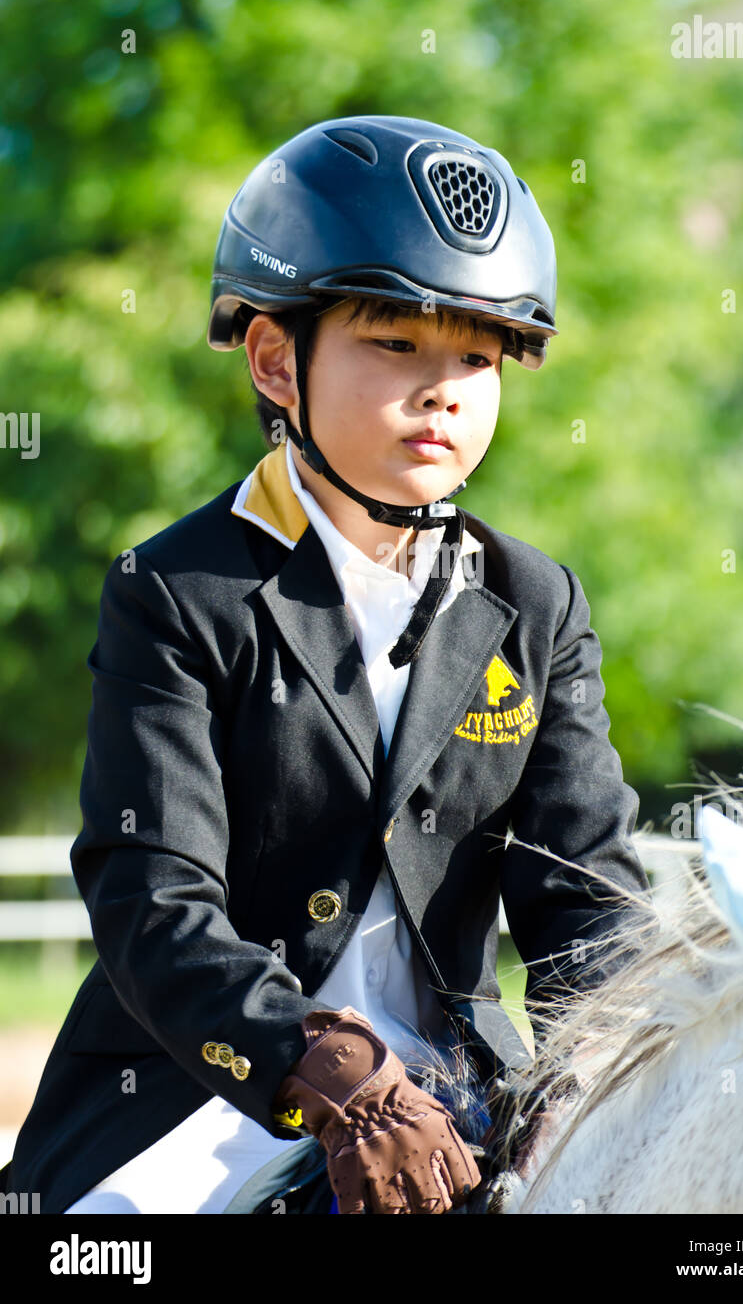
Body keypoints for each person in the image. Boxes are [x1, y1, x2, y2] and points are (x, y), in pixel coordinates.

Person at [1, 115, 653, 1215]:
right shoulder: (174, 592)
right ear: (275, 360)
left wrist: (597, 1066)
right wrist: (331, 1074)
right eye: (396, 344)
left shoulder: (537, 605)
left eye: (478, 357)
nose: (443, 387)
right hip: (212, 1102)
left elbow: (588, 896)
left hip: (461, 1100)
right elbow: (152, 897)